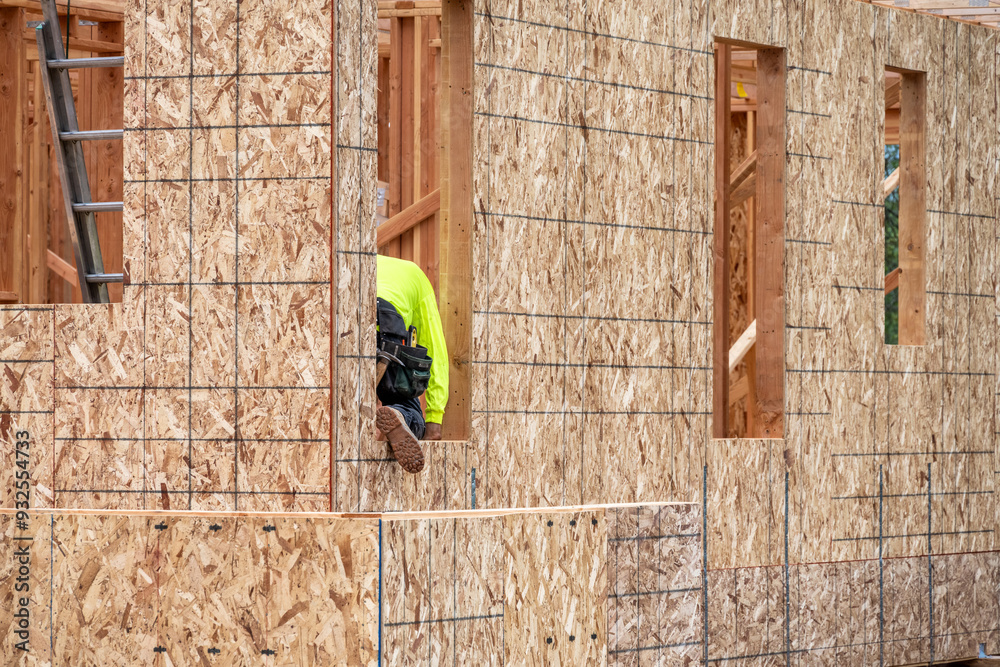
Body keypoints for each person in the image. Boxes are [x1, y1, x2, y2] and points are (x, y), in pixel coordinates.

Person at [375, 255, 448, 473]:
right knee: (407, 406)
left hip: (343, 318)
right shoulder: (415, 275)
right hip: (386, 321)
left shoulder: (361, 257)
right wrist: (435, 416)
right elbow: (434, 347)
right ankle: (401, 415)